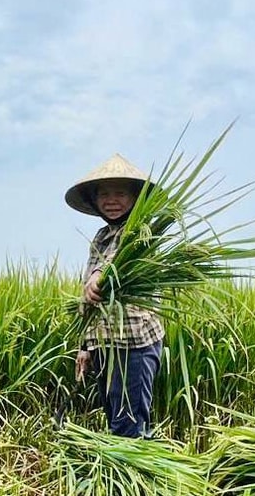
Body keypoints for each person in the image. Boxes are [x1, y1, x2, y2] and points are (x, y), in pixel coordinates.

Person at [64, 153, 165, 438]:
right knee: (114, 416)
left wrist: (100, 275)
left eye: (120, 193)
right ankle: (123, 461)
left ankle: (133, 464)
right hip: (104, 342)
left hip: (134, 343)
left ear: (135, 198)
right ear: (95, 199)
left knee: (128, 424)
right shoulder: (100, 236)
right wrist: (86, 345)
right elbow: (89, 298)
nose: (111, 200)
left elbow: (119, 261)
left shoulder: (142, 231)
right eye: (104, 194)